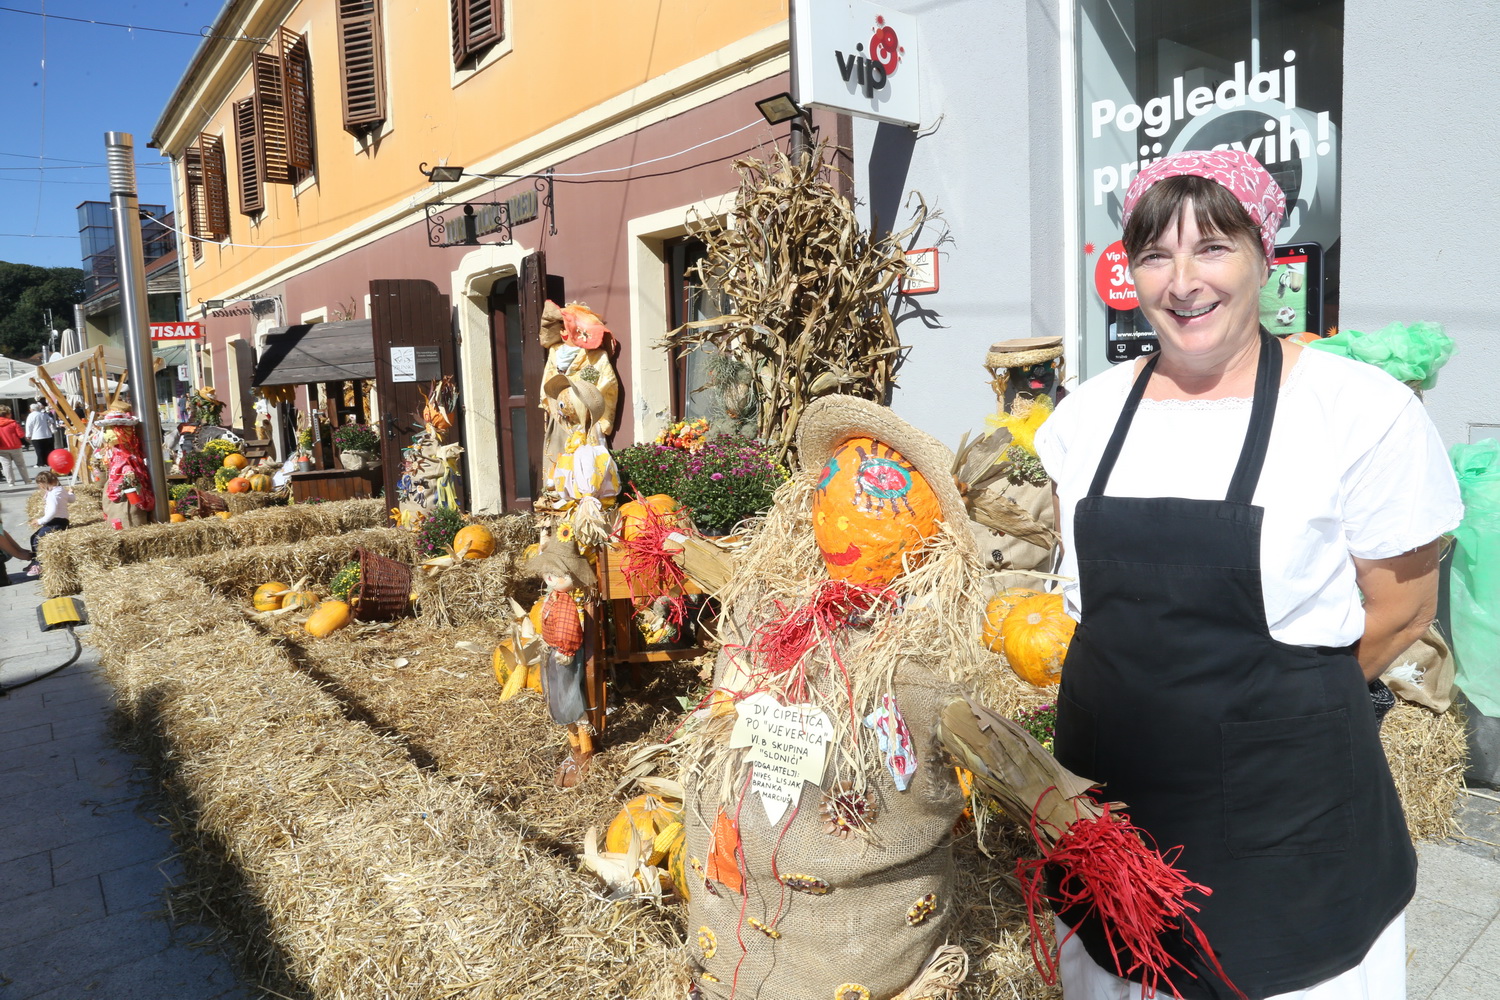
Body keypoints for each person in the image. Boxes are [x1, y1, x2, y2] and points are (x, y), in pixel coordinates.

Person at [1033, 150, 1464, 1000]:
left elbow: (1404, 607)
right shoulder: (1085, 417)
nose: (1183, 280)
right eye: (1155, 254)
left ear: (1266, 257)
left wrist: (1275, 719)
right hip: (1116, 815)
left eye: (1214, 248)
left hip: (1285, 821)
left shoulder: (1359, 410)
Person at [25, 469, 72, 577]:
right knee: (34, 537)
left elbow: (52, 511)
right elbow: (71, 499)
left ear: (42, 484)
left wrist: (40, 521)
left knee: (37, 539)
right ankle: (34, 561)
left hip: (56, 522)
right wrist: (71, 493)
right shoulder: (61, 490)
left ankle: (38, 564)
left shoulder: (52, 495)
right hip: (62, 521)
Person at [0, 404, 31, 485]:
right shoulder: (13, 423)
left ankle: (11, 482)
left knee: (6, 465)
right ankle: (26, 480)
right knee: (20, 464)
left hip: (2, 448)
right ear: (7, 414)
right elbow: (21, 435)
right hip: (15, 446)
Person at [24, 402, 58, 468]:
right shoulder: (43, 414)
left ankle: (40, 463)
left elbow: (29, 426)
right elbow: (51, 420)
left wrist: (28, 434)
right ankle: (48, 462)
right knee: (47, 450)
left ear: (32, 409)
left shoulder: (31, 415)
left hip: (36, 436)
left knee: (39, 450)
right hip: (47, 435)